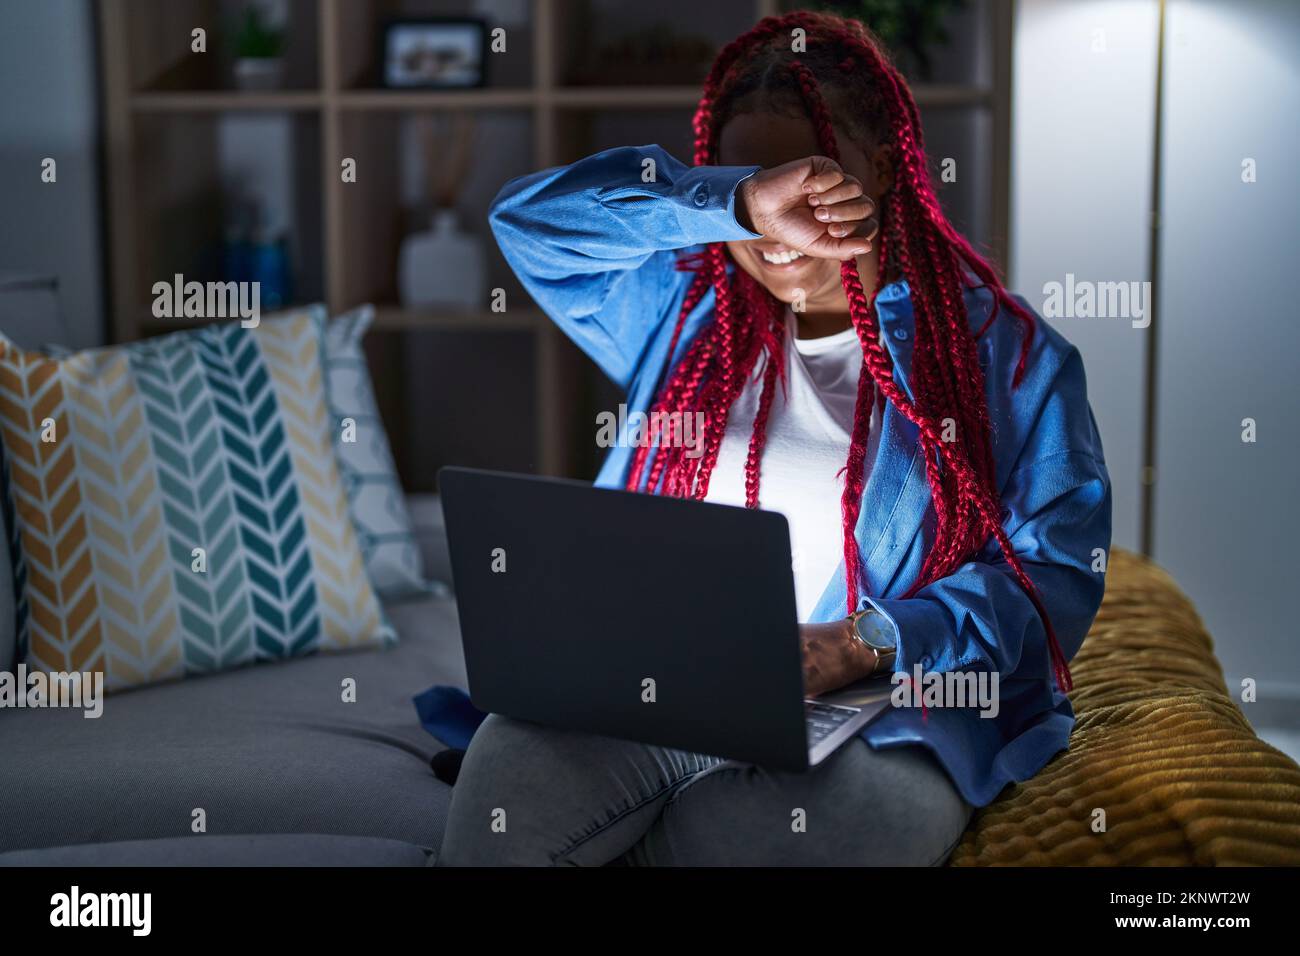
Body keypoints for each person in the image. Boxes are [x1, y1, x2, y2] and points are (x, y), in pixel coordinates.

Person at [436, 10, 1111, 866]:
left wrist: (864, 640)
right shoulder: (682, 310)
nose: (780, 228)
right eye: (757, 185)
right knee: (509, 771)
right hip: (666, 677)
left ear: (885, 170)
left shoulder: (1010, 363)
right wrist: (731, 205)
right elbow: (529, 224)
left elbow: (1055, 574)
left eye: (812, 177)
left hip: (881, 700)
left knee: (831, 825)